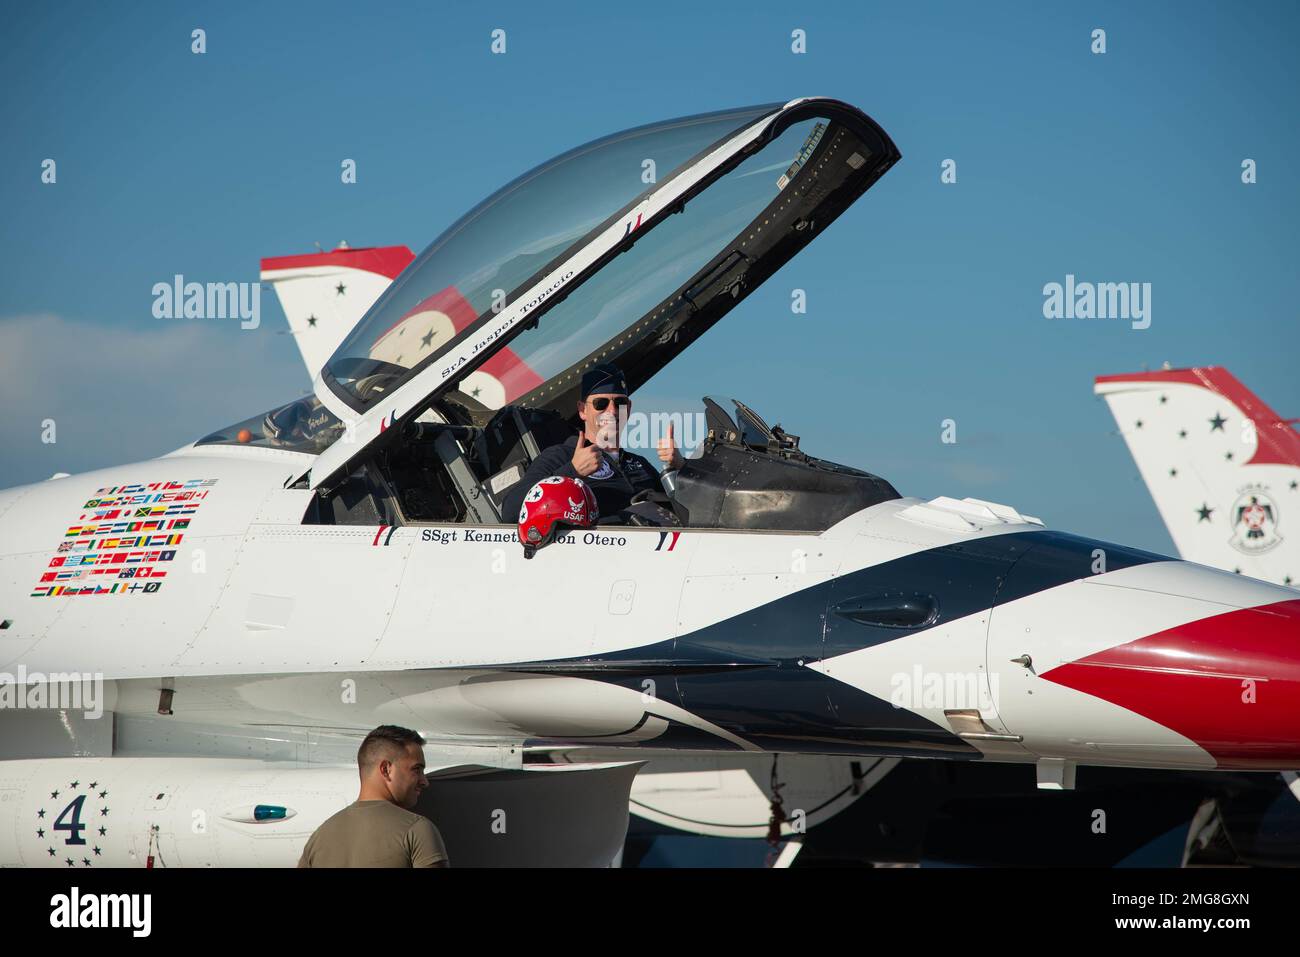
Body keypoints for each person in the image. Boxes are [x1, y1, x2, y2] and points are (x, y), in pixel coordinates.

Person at [502, 363, 684, 523]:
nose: (612, 411)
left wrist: (681, 466)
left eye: (619, 403)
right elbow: (511, 511)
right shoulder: (561, 455)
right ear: (582, 410)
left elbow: (685, 510)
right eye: (600, 403)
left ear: (628, 409)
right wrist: (572, 472)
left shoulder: (640, 464)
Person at [297, 725, 449, 868]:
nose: (424, 781)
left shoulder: (319, 838)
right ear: (385, 769)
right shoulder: (416, 830)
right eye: (416, 769)